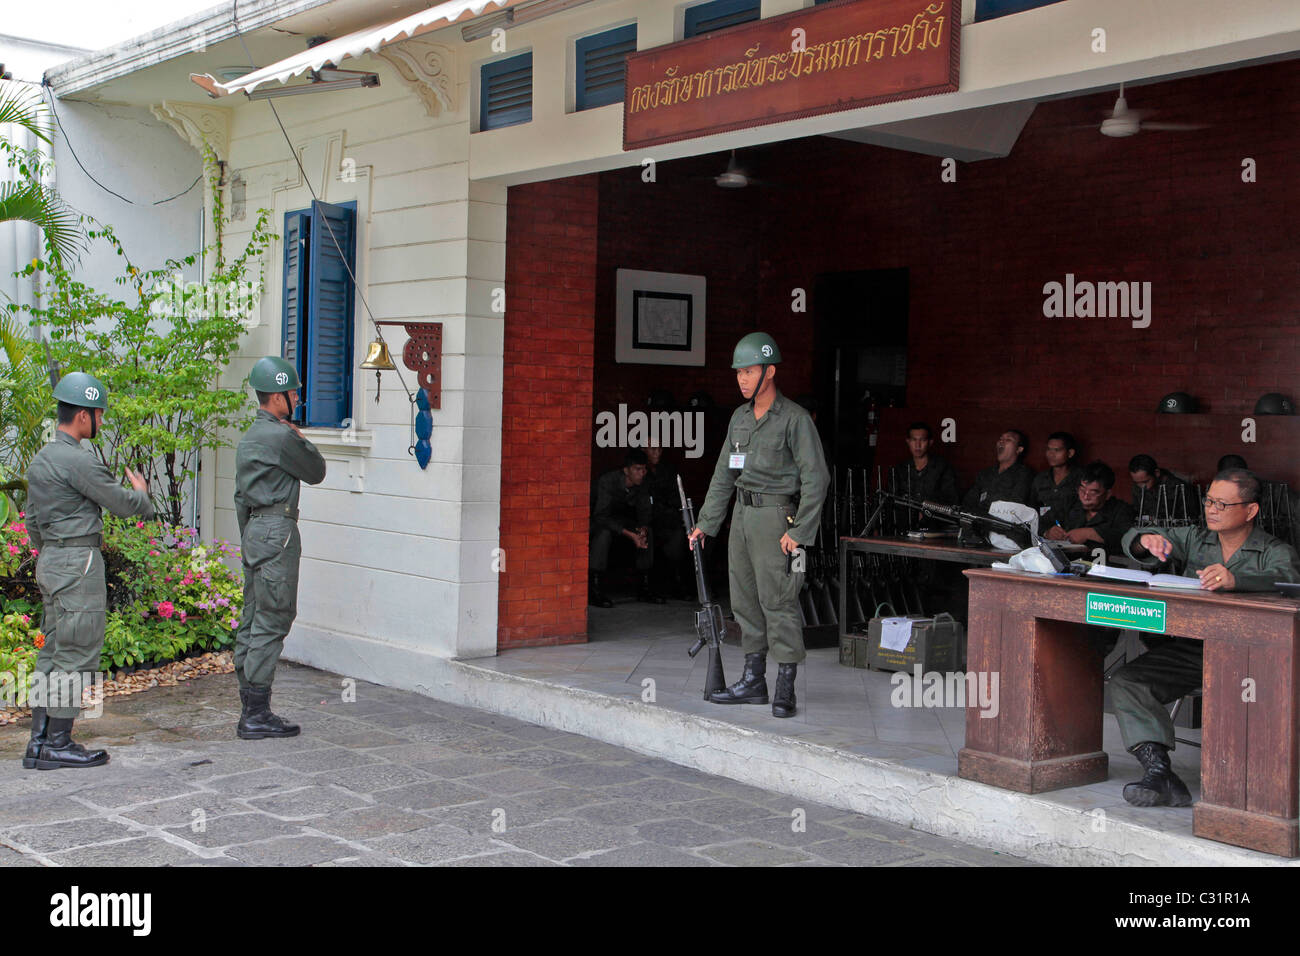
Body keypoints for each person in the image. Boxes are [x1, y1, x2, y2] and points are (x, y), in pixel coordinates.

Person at [1112, 469, 1300, 807]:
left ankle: (1250, 791)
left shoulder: (1274, 551)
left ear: (1251, 511)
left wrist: (1237, 579)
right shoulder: (1197, 539)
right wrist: (1146, 541)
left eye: (1222, 504)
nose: (1211, 509)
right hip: (1194, 652)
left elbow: (1287, 581)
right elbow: (1132, 535)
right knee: (1128, 680)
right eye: (1209, 501)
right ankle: (1159, 772)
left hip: (1251, 660)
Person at [687, 333, 828, 718]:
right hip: (742, 518)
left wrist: (799, 531)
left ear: (770, 372)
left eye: (749, 372)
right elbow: (723, 476)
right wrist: (706, 524)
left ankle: (785, 686)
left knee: (779, 602)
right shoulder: (740, 418)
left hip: (775, 519)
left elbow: (817, 479)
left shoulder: (795, 419)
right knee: (745, 602)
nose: (742, 379)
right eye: (739, 373)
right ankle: (753, 682)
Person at [22, 372, 155, 769]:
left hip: (51, 562)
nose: (100, 421)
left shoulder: (43, 459)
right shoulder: (77, 460)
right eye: (98, 414)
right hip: (77, 565)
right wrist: (143, 495)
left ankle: (39, 741)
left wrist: (51, 554)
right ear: (83, 416)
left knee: (54, 649)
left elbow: (31, 521)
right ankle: (58, 743)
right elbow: (121, 503)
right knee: (77, 653)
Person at [232, 356, 327, 739]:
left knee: (254, 616)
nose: (297, 400)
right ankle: (256, 714)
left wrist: (252, 535)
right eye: (293, 394)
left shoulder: (250, 436)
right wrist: (300, 438)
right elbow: (317, 471)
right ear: (277, 398)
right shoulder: (281, 435)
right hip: (278, 528)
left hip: (255, 527)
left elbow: (240, 498)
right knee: (274, 617)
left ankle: (249, 704)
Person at [589, 449, 661, 607]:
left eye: (644, 469)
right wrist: (629, 534)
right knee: (603, 534)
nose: (642, 473)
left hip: (623, 522)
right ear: (626, 470)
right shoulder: (608, 481)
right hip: (600, 522)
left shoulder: (642, 482)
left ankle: (645, 587)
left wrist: (642, 530)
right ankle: (594, 590)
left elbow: (645, 511)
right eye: (637, 469)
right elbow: (601, 516)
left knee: (647, 533)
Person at [1043, 460, 1134, 556]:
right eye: (1082, 490)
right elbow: (1042, 521)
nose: (1085, 497)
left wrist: (1090, 533)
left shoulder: (1121, 510)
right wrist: (1048, 532)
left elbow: (1129, 537)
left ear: (1107, 494)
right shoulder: (1070, 502)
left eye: (1093, 492)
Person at [645, 442, 692, 599]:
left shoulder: (667, 470)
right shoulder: (639, 469)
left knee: (682, 533)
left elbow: (675, 498)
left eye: (659, 449)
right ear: (644, 450)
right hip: (647, 519)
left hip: (668, 518)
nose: (657, 453)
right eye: (652, 449)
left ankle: (680, 582)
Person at [961, 430, 1033, 515]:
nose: (1001, 441)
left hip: (1001, 525)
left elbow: (1015, 507)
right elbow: (969, 502)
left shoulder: (1024, 474)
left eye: (1008, 439)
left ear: (1019, 449)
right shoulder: (985, 474)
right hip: (976, 523)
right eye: (1000, 439)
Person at [897, 422, 958, 504]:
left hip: (932, 516)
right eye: (914, 440)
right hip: (906, 516)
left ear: (930, 442)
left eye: (922, 440)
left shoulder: (943, 468)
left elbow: (952, 500)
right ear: (908, 442)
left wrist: (928, 508)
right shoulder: (899, 469)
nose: (917, 445)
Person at [1029, 431, 1082, 521]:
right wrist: (1046, 530)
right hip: (1044, 532)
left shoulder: (1081, 478)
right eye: (1049, 449)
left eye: (1057, 450)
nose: (1051, 454)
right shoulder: (1040, 479)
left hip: (1072, 532)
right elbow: (1032, 509)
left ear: (1070, 453)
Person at [1129, 454, 1192, 522]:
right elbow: (1137, 515)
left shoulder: (1178, 487)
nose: (1142, 487)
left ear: (1157, 473)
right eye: (1137, 482)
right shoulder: (1136, 488)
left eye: (1145, 481)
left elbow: (1190, 517)